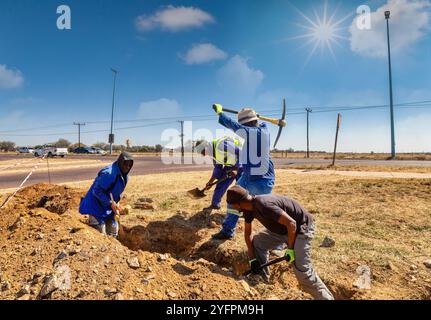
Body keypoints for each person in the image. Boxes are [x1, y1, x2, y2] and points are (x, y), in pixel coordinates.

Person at [226, 185, 334, 300]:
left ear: (238, 204)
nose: (232, 207)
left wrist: (291, 249)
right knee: (257, 243)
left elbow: (292, 224)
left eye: (232, 205)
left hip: (300, 229)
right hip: (281, 230)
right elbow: (248, 234)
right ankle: (261, 281)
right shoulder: (248, 208)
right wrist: (253, 259)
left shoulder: (264, 205)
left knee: (303, 272)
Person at [212, 104, 275, 240]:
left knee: (241, 202)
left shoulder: (252, 132)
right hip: (261, 178)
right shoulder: (264, 130)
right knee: (264, 208)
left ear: (248, 124)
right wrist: (254, 116)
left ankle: (228, 231)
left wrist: (220, 113)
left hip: (255, 179)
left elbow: (235, 126)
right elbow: (260, 123)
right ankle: (278, 237)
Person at [79, 152, 134, 238]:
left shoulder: (124, 176)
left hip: (108, 208)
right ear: (120, 162)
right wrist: (110, 203)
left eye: (129, 165)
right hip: (95, 206)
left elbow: (116, 193)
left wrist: (116, 204)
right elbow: (96, 191)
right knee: (100, 234)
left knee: (113, 231)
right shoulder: (109, 174)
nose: (127, 167)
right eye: (125, 164)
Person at [195, 137, 243, 210]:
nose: (203, 155)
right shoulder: (212, 153)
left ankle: (245, 208)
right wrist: (210, 182)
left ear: (206, 146)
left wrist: (236, 168)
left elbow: (241, 152)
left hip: (242, 164)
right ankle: (215, 204)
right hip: (229, 166)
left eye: (202, 152)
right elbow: (218, 168)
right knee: (221, 184)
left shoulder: (221, 145)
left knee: (242, 187)